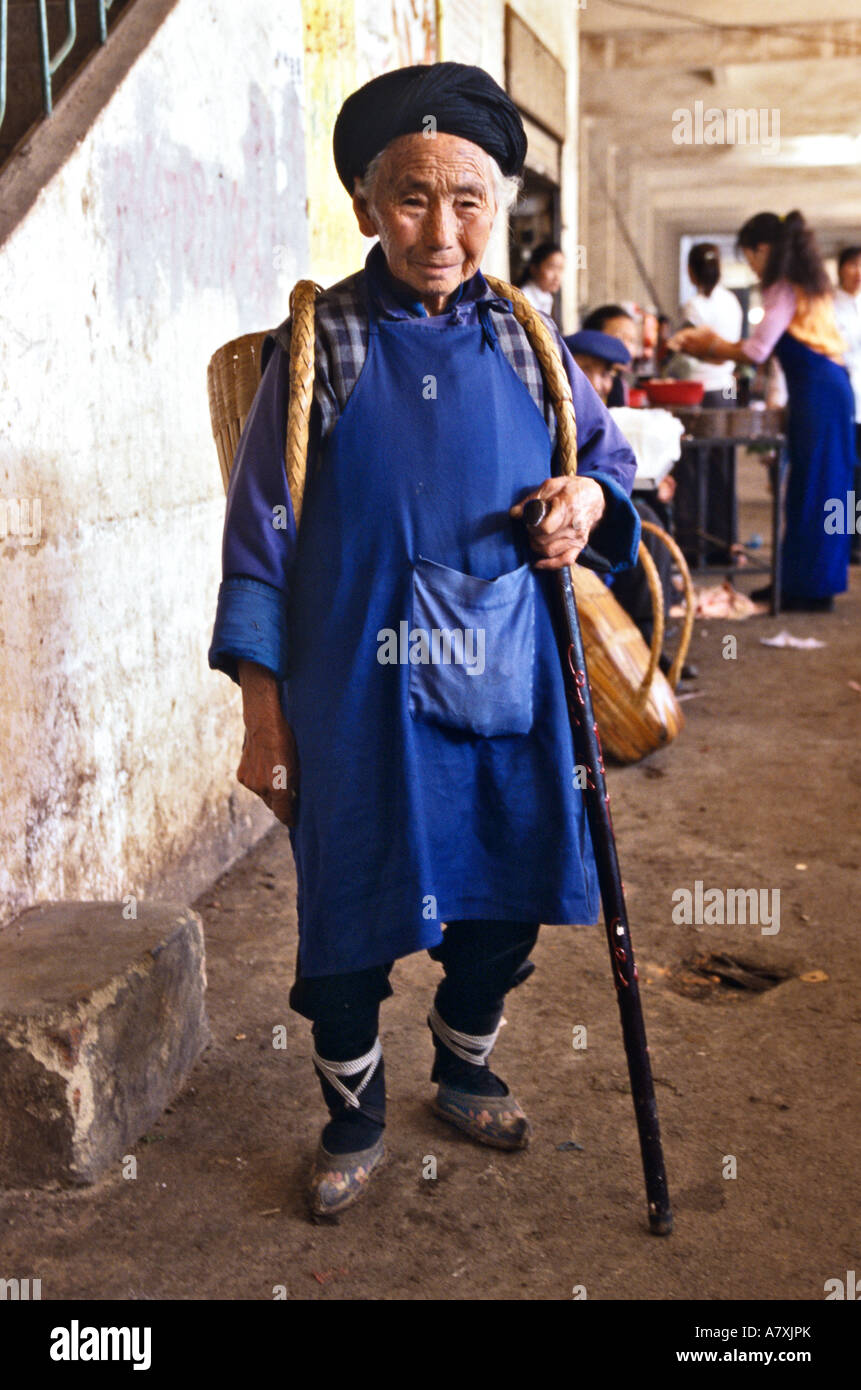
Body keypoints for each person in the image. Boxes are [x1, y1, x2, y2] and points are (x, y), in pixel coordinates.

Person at [208, 62, 640, 1218]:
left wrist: (584, 505)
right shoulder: (320, 347)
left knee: (502, 899)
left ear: (495, 208)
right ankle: (352, 1111)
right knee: (348, 919)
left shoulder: (531, 339)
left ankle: (461, 1063)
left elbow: (605, 463)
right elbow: (258, 546)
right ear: (363, 204)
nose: (441, 230)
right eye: (411, 197)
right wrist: (264, 722)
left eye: (468, 201)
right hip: (354, 694)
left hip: (507, 679)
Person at [669, 210, 855, 612]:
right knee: (818, 489)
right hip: (821, 390)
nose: (751, 266)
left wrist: (710, 346)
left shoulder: (785, 287)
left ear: (763, 249)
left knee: (817, 491)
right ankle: (800, 584)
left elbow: (756, 351)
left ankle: (808, 590)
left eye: (750, 256)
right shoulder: (804, 284)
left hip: (820, 391)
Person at [566, 329, 695, 679]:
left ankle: (648, 643)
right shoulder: (552, 399)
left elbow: (609, 460)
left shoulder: (599, 411)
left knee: (650, 520)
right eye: (592, 369)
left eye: (608, 374)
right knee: (644, 530)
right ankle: (640, 642)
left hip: (589, 501)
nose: (602, 382)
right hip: (562, 510)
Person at [674, 243, 744, 565]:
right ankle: (726, 541)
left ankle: (693, 545)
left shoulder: (693, 307)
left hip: (699, 393)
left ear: (690, 271)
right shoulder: (732, 302)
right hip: (727, 391)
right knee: (724, 463)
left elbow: (686, 351)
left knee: (692, 466)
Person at [832, 245, 861, 564]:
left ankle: (858, 538)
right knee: (847, 475)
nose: (858, 272)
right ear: (841, 269)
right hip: (843, 401)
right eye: (853, 265)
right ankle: (843, 539)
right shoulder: (830, 307)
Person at [581, 304, 638, 406]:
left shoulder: (617, 383)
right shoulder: (579, 380)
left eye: (632, 340)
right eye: (619, 338)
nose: (628, 347)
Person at [517, 240, 565, 316]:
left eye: (560, 269)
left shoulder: (546, 297)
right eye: (552, 267)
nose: (557, 276)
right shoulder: (524, 299)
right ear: (534, 269)